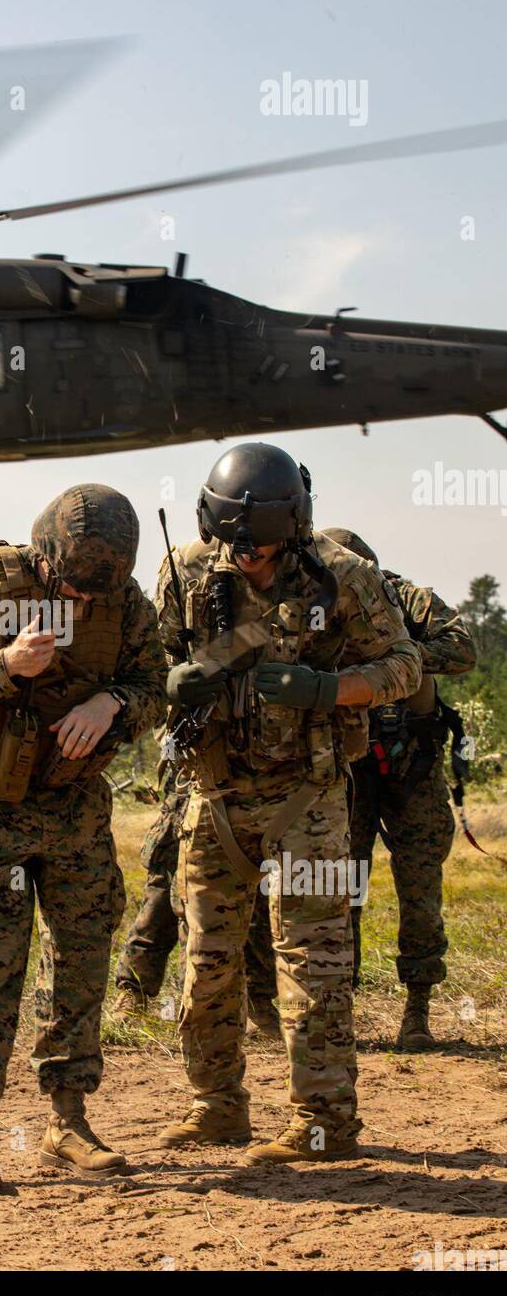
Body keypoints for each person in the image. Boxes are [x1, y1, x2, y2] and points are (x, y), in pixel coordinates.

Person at [156, 444, 422, 1165]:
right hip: (212, 795)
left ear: (294, 527)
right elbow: (147, 666)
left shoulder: (344, 575)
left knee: (315, 963)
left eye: (266, 549)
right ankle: (215, 1108)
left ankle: (324, 1121)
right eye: (238, 548)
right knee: (206, 961)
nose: (250, 561)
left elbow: (403, 666)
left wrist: (326, 689)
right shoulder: (182, 570)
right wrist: (174, 683)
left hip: (310, 797)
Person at [0, 484, 165, 1190]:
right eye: (71, 587)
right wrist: (6, 666)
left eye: (95, 592)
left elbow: (155, 687)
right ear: (45, 555)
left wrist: (113, 703)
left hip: (76, 803)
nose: (82, 602)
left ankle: (67, 1122)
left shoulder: (127, 602)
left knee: (81, 959)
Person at [322, 528, 477, 1050]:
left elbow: (462, 648)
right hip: (349, 763)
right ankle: (340, 1010)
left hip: (414, 762)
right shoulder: (314, 604)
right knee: (344, 887)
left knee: (419, 887)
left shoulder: (408, 598)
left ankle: (417, 1011)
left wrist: (397, 657)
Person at [112, 750, 279, 1035]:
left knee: (257, 904)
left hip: (259, 789)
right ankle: (133, 992)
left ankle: (256, 1001)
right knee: (162, 898)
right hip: (194, 787)